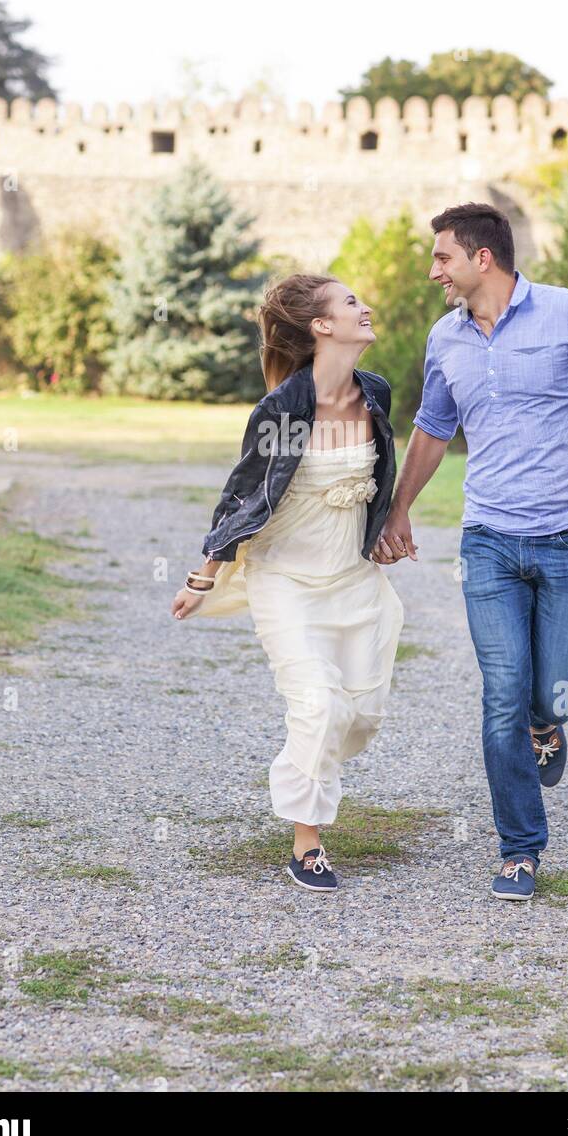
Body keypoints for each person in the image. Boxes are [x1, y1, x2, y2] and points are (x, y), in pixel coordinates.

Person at [373, 203, 568, 902]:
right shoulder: (445, 339)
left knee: (550, 689)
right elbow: (434, 429)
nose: (432, 270)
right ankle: (519, 849)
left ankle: (547, 724)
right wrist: (400, 506)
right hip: (490, 541)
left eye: (442, 257)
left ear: (483, 259)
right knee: (501, 691)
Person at [172, 274, 403, 892]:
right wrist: (206, 573)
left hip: (355, 580)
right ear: (321, 327)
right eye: (352, 302)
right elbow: (244, 493)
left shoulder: (375, 394)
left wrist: (386, 527)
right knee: (319, 704)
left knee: (361, 714)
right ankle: (307, 842)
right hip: (286, 582)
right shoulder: (284, 411)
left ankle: (316, 758)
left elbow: (379, 482)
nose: (366, 307)